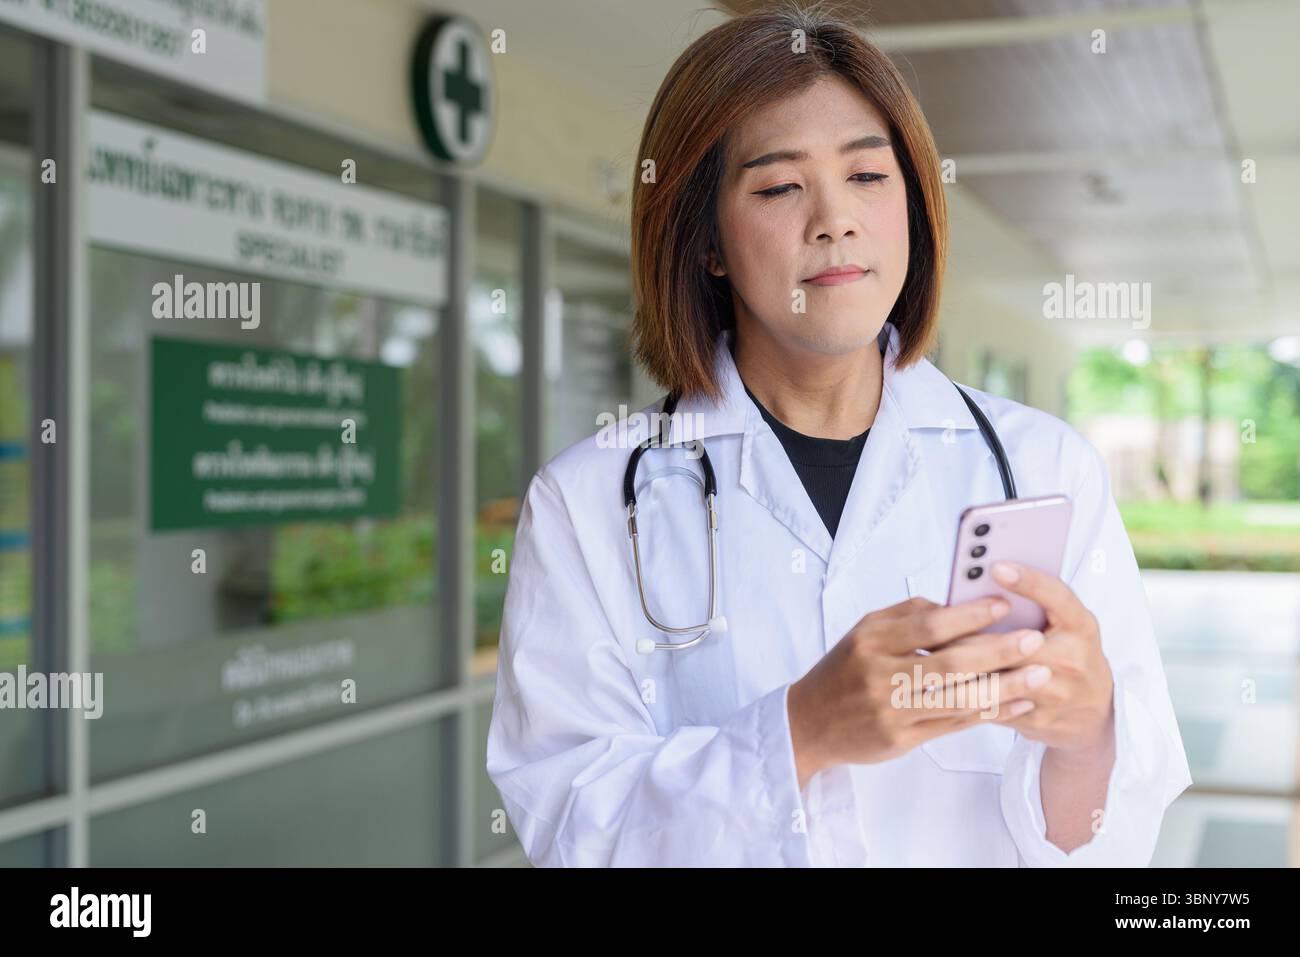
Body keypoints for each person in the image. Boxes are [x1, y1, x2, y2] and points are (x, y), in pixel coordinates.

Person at [486, 3, 1190, 866]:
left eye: (868, 176)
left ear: (913, 204)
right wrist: (799, 731)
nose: (835, 220)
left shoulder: (1042, 469)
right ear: (707, 241)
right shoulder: (586, 502)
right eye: (780, 186)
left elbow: (1117, 839)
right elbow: (573, 832)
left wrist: (1086, 734)